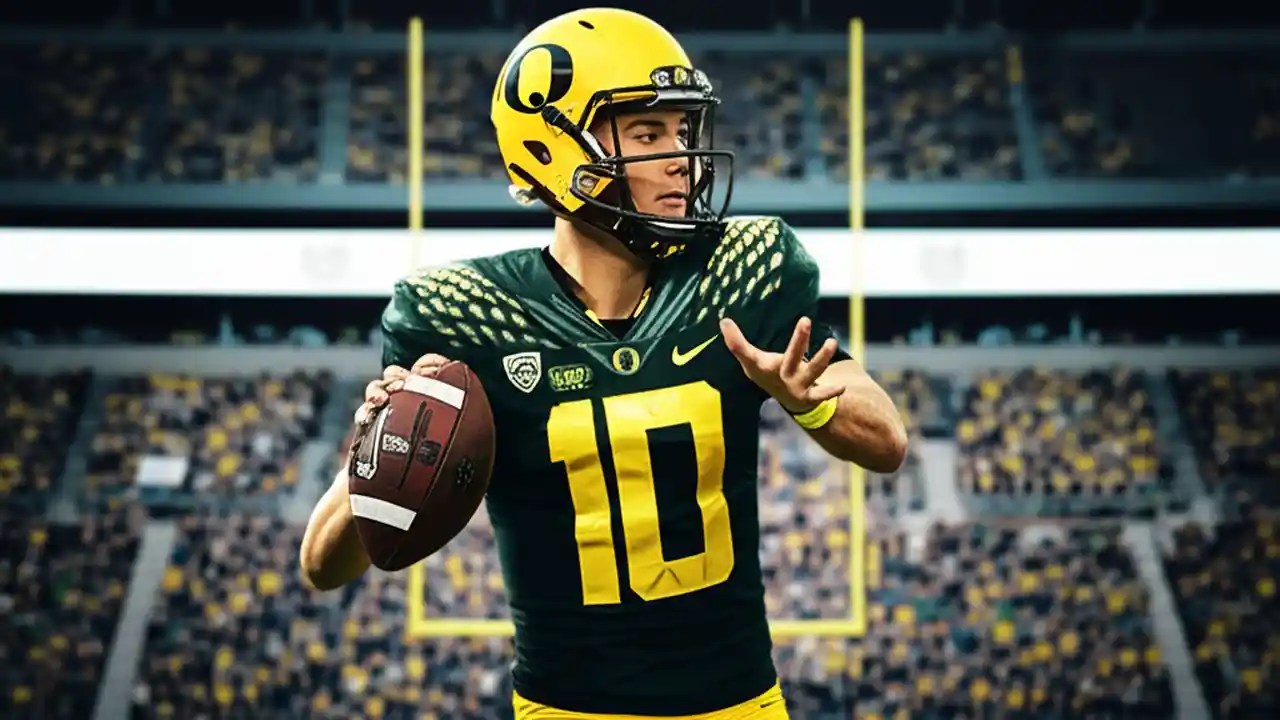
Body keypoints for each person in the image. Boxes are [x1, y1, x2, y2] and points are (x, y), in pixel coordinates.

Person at [300, 7, 908, 719]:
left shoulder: (743, 274)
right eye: (649, 132)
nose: (680, 154)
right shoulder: (462, 316)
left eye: (682, 130)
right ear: (558, 149)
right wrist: (382, 454)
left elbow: (888, 442)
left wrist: (811, 401)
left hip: (741, 703)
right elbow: (323, 564)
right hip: (566, 709)